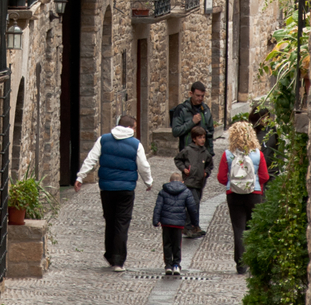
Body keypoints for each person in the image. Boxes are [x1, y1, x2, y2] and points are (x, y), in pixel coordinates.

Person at [74, 112, 153, 271]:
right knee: (122, 223)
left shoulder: (103, 140)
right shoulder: (135, 144)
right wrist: (148, 181)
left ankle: (110, 254)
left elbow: (91, 159)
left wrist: (80, 177)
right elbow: (143, 166)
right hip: (126, 189)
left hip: (107, 188)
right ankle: (118, 261)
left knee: (110, 220)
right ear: (130, 127)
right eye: (134, 128)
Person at [217, 118, 269, 274]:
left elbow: (221, 178)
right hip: (254, 194)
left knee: (238, 228)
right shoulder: (257, 154)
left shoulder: (227, 154)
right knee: (253, 228)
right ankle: (254, 261)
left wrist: (232, 182)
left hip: (234, 194)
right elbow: (265, 176)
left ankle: (241, 264)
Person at [152, 171, 199, 276]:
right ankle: (176, 264)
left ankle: (168, 265)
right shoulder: (186, 191)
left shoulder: (163, 191)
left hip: (166, 223)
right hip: (179, 223)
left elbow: (158, 207)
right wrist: (195, 223)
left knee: (167, 244)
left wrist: (156, 220)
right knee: (177, 244)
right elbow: (192, 208)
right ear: (182, 181)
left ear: (169, 181)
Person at [174, 124, 213, 238]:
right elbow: (178, 159)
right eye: (200, 137)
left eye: (203, 137)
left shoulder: (205, 152)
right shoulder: (187, 150)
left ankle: (194, 226)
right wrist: (184, 169)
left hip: (200, 182)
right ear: (194, 139)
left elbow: (210, 165)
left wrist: (206, 172)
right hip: (189, 182)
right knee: (193, 204)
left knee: (196, 204)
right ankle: (188, 226)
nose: (202, 140)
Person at [171, 81, 215, 156]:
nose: (200, 98)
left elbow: (210, 132)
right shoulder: (181, 109)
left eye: (202, 96)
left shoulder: (205, 110)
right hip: (187, 153)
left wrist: (210, 153)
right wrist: (192, 122)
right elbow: (175, 131)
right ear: (191, 94)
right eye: (197, 96)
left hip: (203, 154)